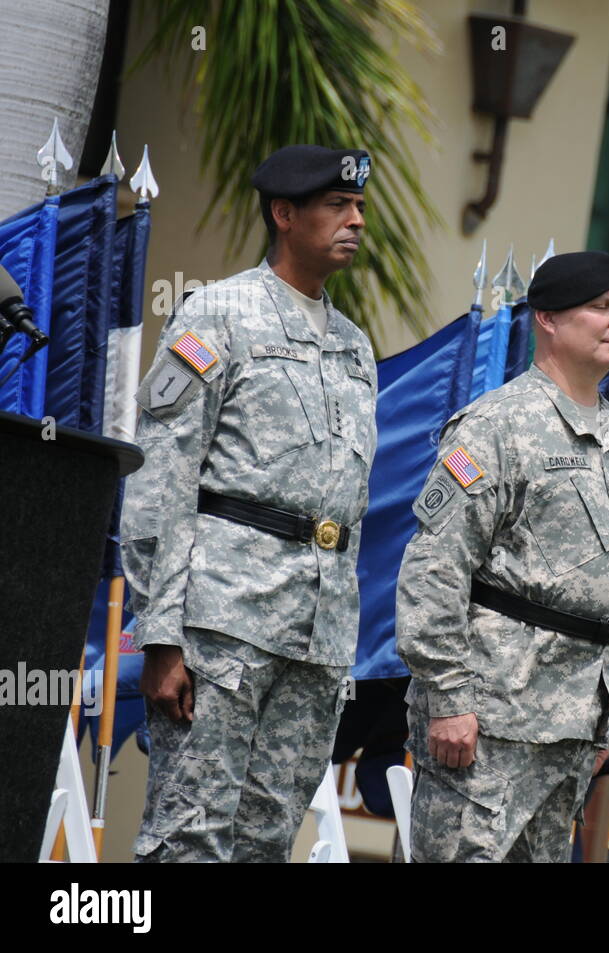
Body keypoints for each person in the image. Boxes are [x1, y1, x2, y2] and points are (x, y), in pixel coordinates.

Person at [121, 144, 377, 862]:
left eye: (359, 207)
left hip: (315, 640)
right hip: (222, 626)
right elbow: (162, 480)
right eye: (337, 205)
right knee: (190, 837)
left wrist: (341, 649)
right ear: (284, 213)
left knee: (264, 844)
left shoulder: (357, 351)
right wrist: (162, 633)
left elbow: (347, 511)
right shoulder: (218, 314)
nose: (355, 220)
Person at [396, 250, 609, 862]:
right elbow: (435, 569)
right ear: (548, 320)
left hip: (572, 723)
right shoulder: (497, 425)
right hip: (491, 716)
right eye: (600, 308)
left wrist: (601, 718)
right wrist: (450, 698)